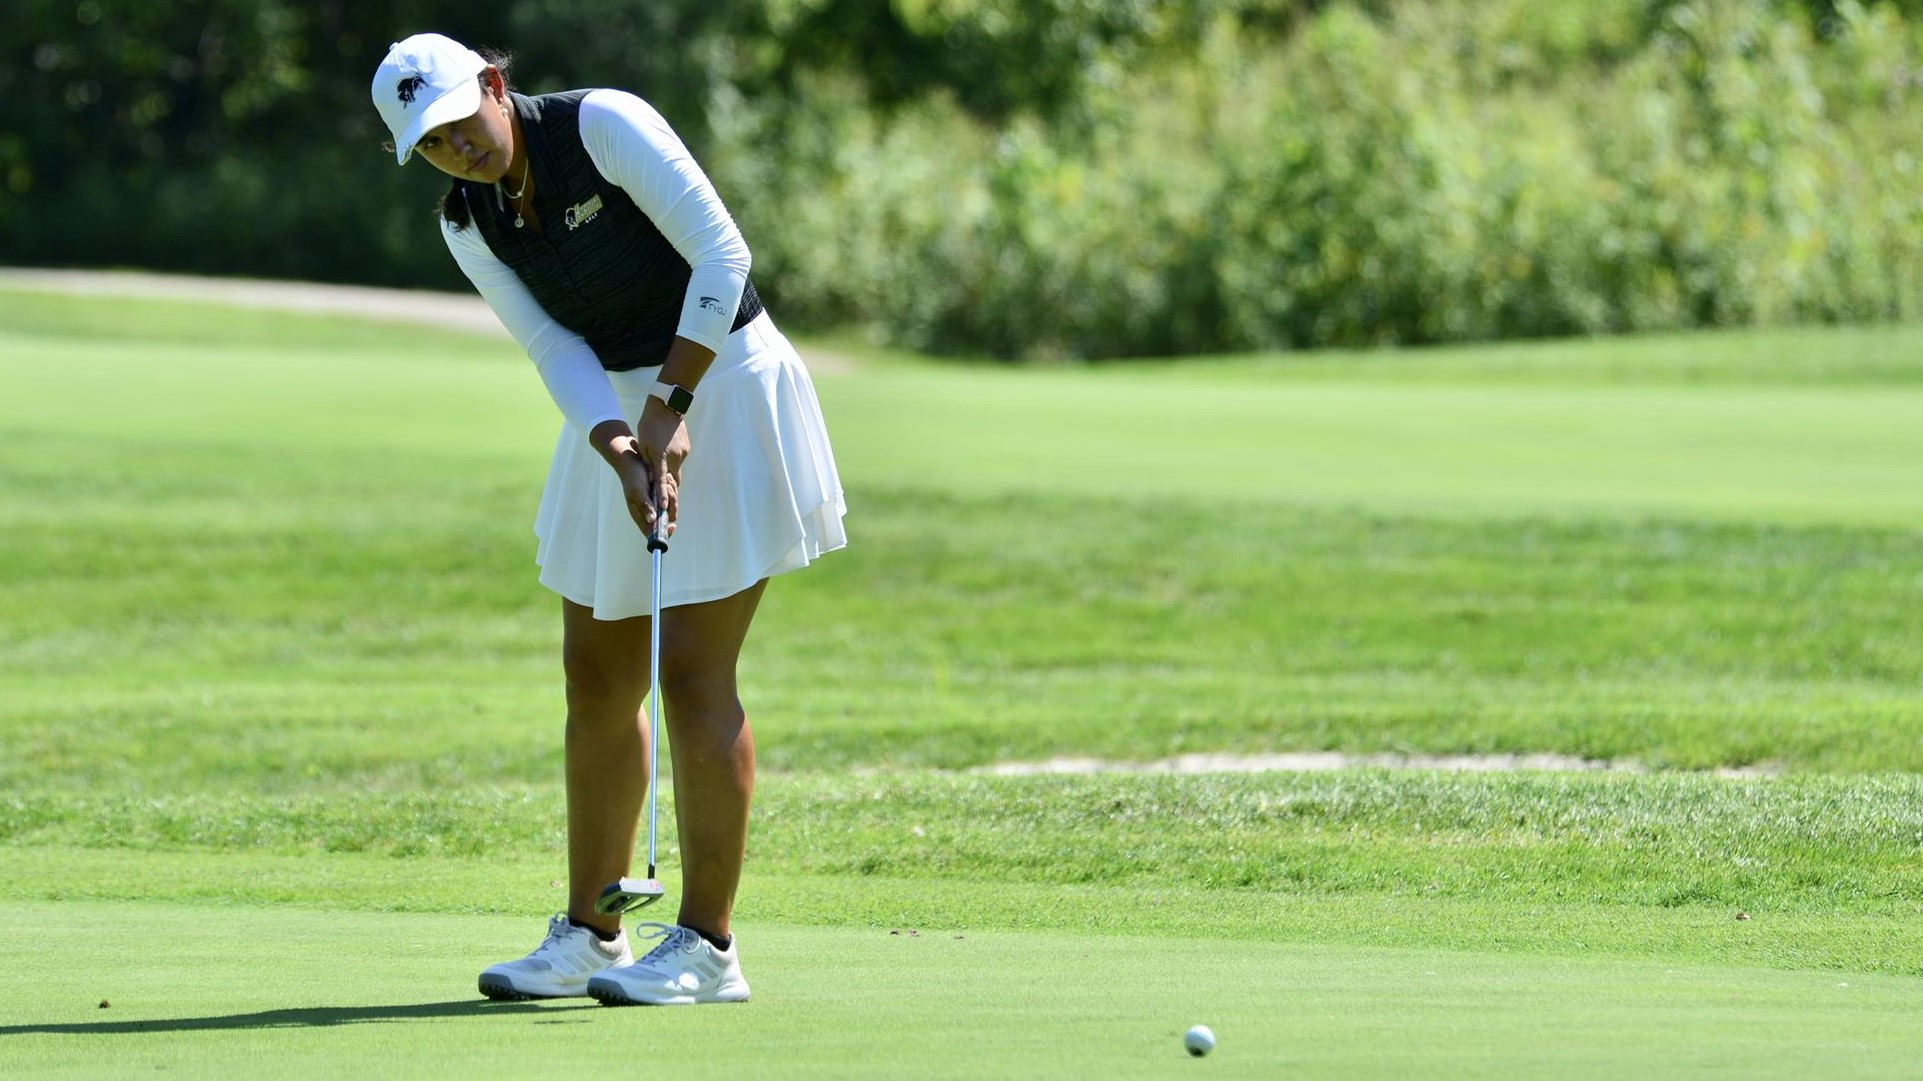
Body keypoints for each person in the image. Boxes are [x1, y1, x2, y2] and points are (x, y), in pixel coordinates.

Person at [369, 32, 846, 1006]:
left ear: (495, 87)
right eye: (431, 142)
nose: (456, 148)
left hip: (727, 379)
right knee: (595, 673)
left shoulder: (605, 124)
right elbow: (554, 345)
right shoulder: (469, 224)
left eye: (461, 122)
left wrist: (668, 407)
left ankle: (708, 948)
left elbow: (723, 255)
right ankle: (594, 932)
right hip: (620, 412)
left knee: (693, 673)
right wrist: (621, 446)